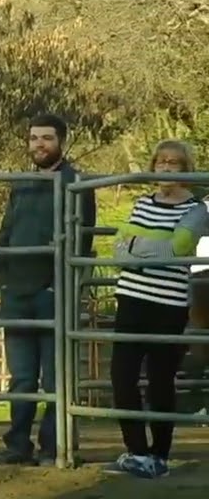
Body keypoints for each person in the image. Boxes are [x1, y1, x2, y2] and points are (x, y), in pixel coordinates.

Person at [0, 113, 96, 466]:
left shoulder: (76, 181)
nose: (39, 145)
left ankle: (55, 446)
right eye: (33, 138)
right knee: (21, 377)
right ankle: (17, 445)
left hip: (53, 291)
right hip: (17, 291)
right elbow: (7, 228)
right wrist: (0, 274)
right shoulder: (22, 182)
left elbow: (83, 236)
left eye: (46, 138)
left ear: (61, 140)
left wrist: (63, 279)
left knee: (54, 375)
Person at [103, 140, 200, 478]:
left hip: (168, 304)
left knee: (160, 380)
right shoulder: (143, 202)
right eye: (161, 162)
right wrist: (144, 249)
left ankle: (160, 455)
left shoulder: (196, 209)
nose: (167, 168)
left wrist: (136, 248)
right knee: (122, 377)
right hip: (130, 298)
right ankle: (136, 451)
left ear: (186, 169)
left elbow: (176, 250)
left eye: (174, 162)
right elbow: (117, 248)